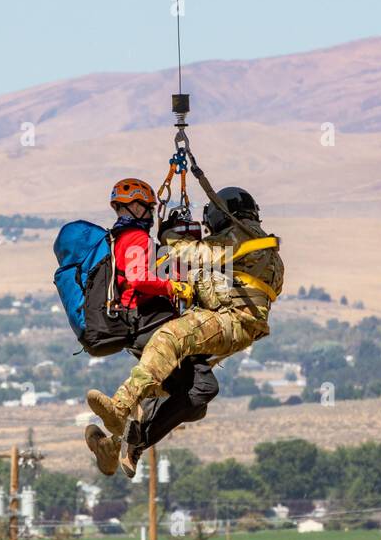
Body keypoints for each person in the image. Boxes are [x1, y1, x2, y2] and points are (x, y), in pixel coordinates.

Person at [86, 186, 283, 472]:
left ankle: (121, 404)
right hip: (238, 325)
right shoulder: (264, 247)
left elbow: (192, 253)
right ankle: (114, 446)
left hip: (230, 320)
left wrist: (169, 235)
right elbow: (226, 282)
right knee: (188, 387)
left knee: (170, 337)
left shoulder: (241, 236)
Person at [83, 178, 220, 477]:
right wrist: (172, 286)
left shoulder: (121, 237)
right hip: (151, 323)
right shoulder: (135, 237)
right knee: (202, 387)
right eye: (147, 207)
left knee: (194, 403)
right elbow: (137, 278)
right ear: (134, 206)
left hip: (142, 326)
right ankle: (133, 440)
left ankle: (113, 443)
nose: (150, 212)